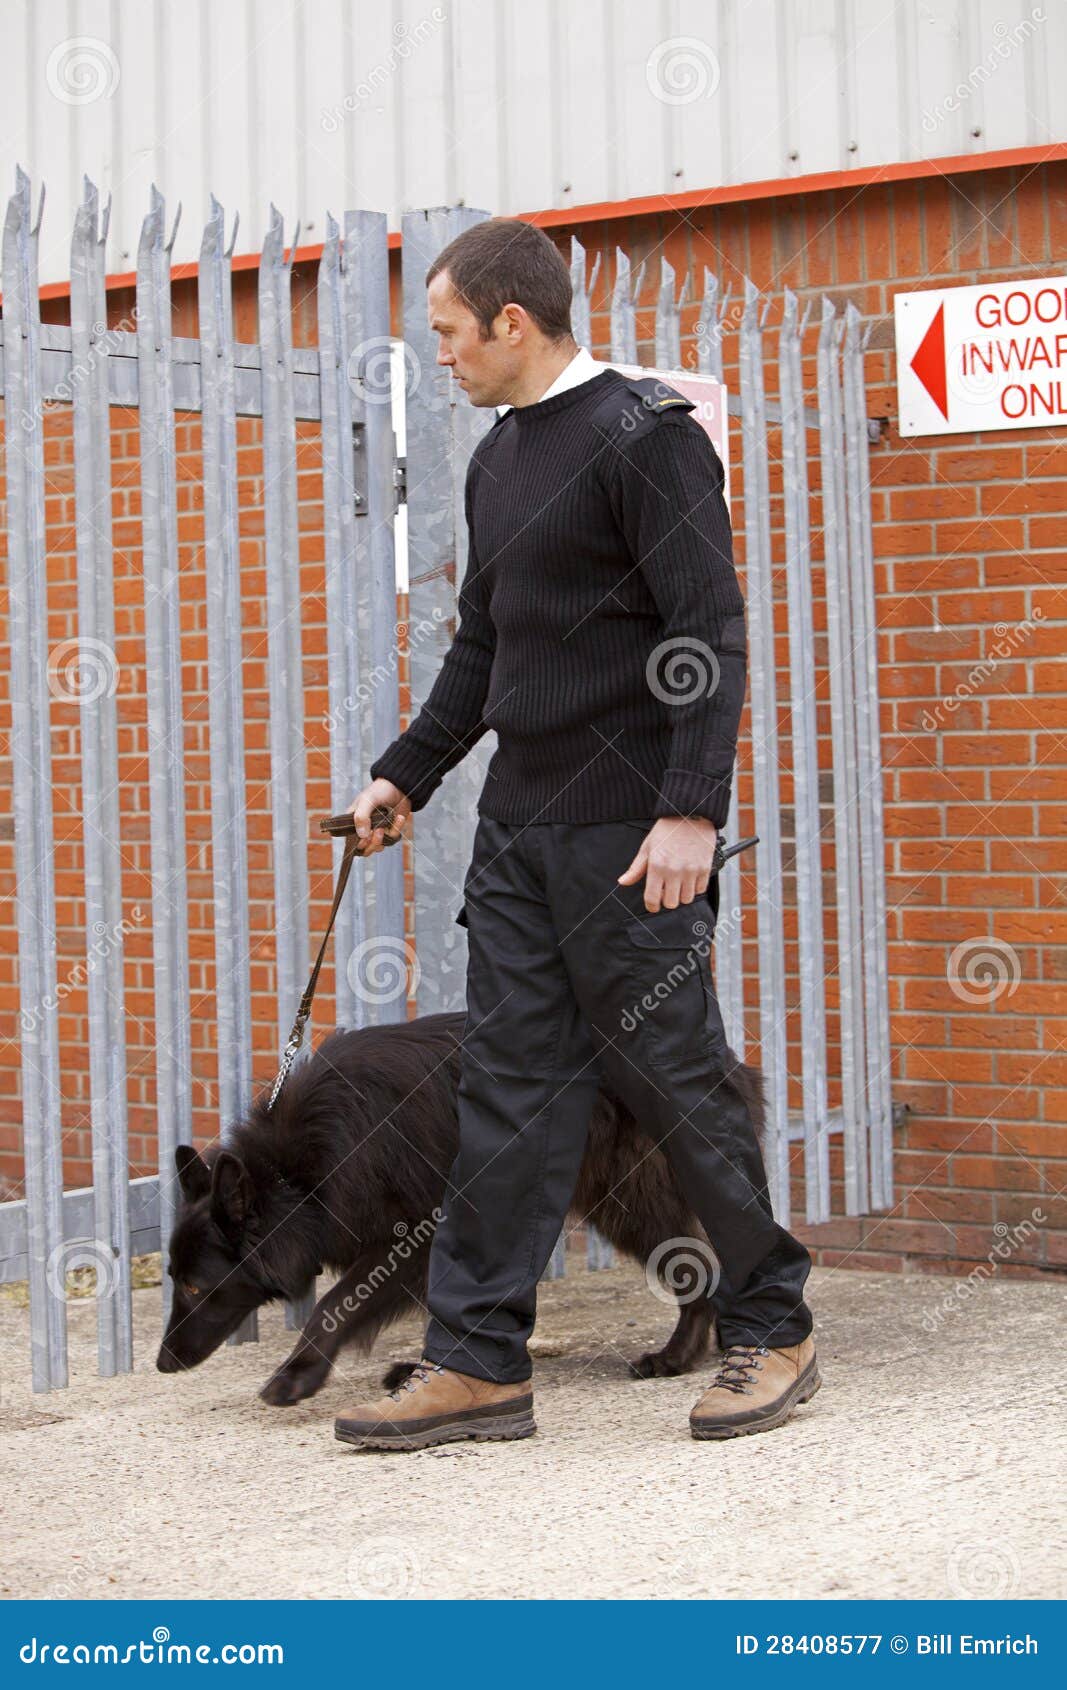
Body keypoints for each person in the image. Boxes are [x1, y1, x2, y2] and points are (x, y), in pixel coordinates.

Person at [334, 217, 818, 1451]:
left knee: (673, 1084)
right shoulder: (497, 459)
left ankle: (773, 1321)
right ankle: (480, 1359)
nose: (435, 355)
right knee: (507, 1090)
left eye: (445, 331)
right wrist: (407, 774)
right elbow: (486, 646)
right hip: (517, 831)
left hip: (628, 833)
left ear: (510, 321)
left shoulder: (640, 439)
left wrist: (688, 810)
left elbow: (706, 628)